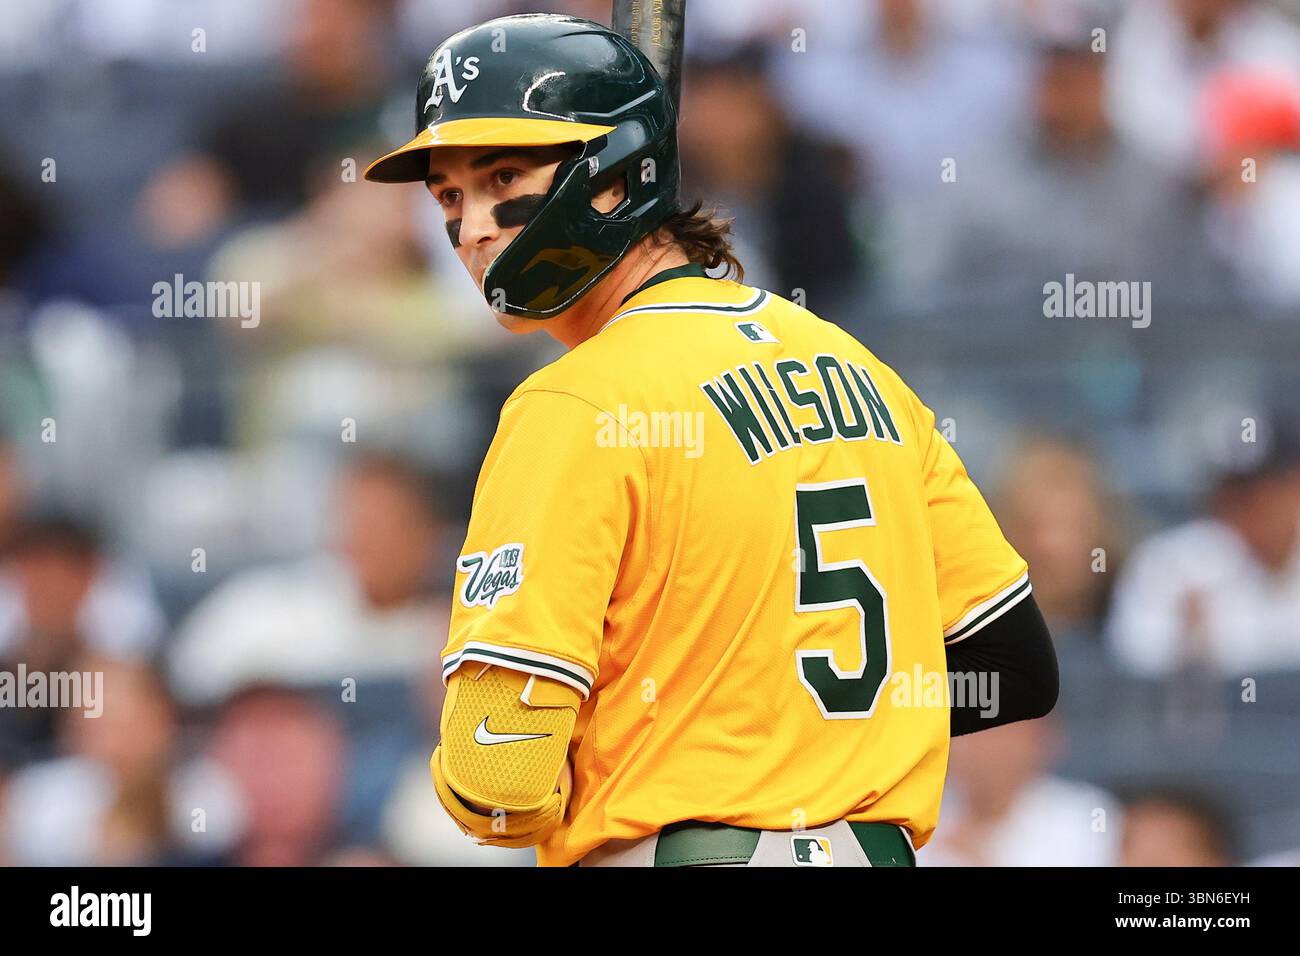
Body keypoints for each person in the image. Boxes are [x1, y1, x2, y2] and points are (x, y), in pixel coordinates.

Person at [364, 13, 1057, 868]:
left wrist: (669, 730)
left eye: (503, 175)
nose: (471, 228)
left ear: (612, 181)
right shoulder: (852, 362)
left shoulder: (575, 401)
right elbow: (1013, 664)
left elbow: (496, 778)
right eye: (448, 197)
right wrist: (789, 722)